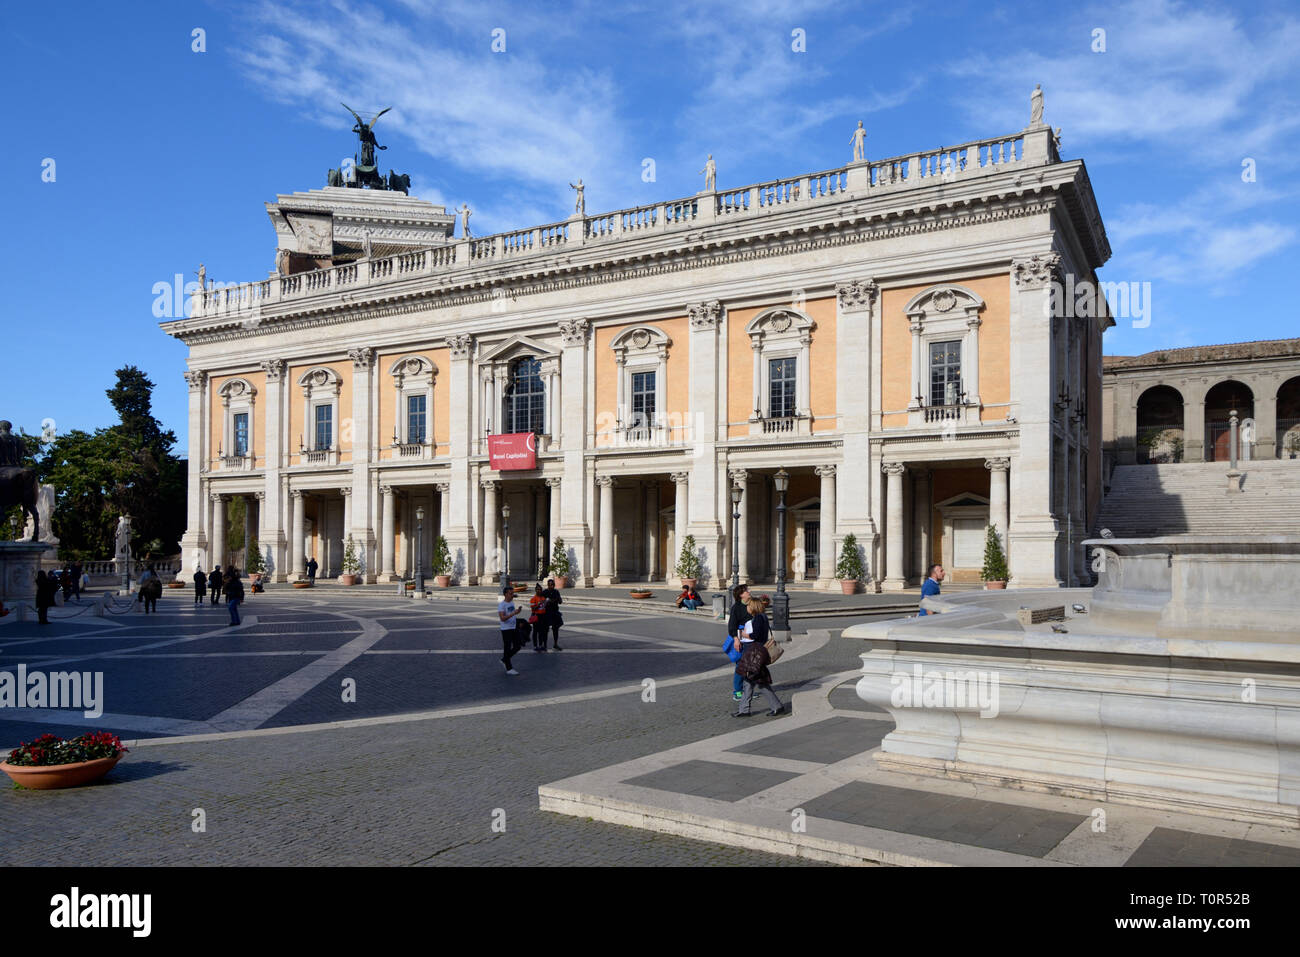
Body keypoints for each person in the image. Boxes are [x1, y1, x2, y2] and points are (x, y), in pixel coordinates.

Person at [734, 597, 785, 717]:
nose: (747, 608)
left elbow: (755, 635)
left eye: (748, 605)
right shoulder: (762, 617)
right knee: (750, 681)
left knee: (758, 681)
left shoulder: (758, 618)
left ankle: (777, 706)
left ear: (753, 607)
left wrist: (743, 634)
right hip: (758, 651)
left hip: (756, 652)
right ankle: (744, 710)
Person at [725, 583, 752, 701]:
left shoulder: (751, 605)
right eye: (747, 591)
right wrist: (736, 639)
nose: (749, 592)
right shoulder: (736, 607)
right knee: (740, 665)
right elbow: (732, 626)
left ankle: (748, 690)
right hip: (741, 638)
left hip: (751, 638)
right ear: (741, 595)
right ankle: (737, 691)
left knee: (751, 665)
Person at [497, 585, 524, 675]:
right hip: (506, 629)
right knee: (507, 647)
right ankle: (509, 668)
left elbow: (512, 615)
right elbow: (502, 618)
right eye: (510, 593)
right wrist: (513, 613)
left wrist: (517, 615)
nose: (512, 595)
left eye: (513, 593)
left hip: (513, 627)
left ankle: (505, 659)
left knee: (518, 646)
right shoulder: (502, 605)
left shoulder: (511, 603)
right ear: (505, 594)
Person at [540, 578, 563, 650]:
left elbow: (560, 601)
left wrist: (558, 599)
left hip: (555, 612)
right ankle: (545, 645)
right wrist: (549, 601)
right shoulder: (545, 592)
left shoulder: (556, 592)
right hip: (547, 613)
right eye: (550, 585)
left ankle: (555, 644)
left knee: (555, 629)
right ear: (548, 585)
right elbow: (542, 603)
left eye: (553, 585)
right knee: (545, 630)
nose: (551, 586)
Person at [529, 584, 548, 652]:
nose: (539, 591)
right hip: (536, 616)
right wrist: (539, 604)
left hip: (543, 616)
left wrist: (546, 602)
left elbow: (545, 607)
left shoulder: (543, 598)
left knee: (541, 631)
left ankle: (540, 645)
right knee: (535, 631)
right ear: (535, 590)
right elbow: (533, 608)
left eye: (540, 589)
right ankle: (535, 645)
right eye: (538, 590)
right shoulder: (533, 599)